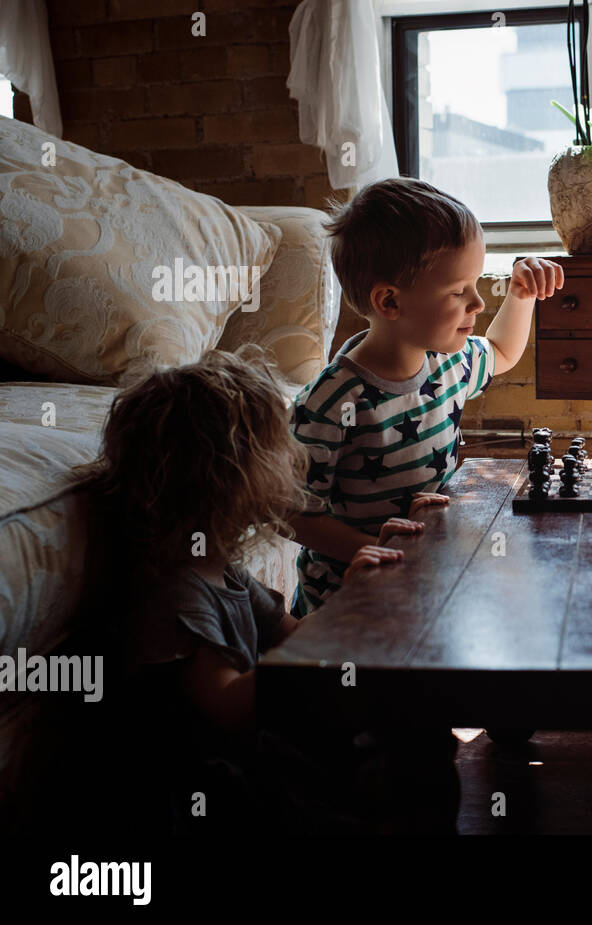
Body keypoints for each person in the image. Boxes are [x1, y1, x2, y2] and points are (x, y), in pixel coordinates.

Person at [19, 347, 435, 836]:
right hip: (199, 790)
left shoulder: (223, 571)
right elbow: (230, 709)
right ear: (229, 479)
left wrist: (357, 593)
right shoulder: (178, 592)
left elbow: (294, 639)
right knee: (387, 775)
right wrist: (342, 617)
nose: (293, 459)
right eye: (279, 450)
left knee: (414, 738)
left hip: (245, 760)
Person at [288, 177, 560, 747]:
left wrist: (522, 296)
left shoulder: (450, 365)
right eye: (460, 291)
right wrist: (361, 548)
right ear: (390, 302)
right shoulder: (331, 403)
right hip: (352, 594)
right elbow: (291, 510)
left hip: (431, 574)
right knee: (373, 727)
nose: (477, 304)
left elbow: (505, 351)